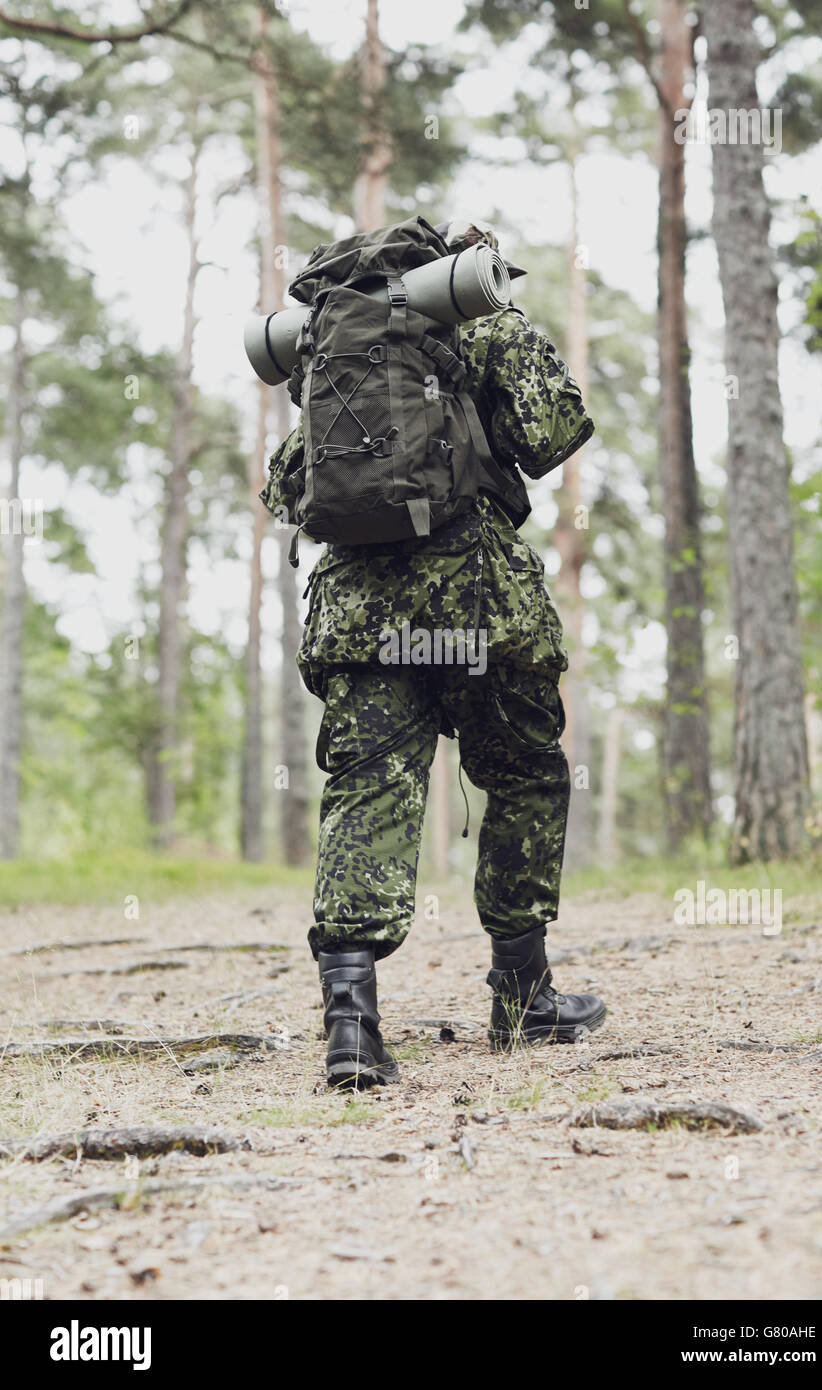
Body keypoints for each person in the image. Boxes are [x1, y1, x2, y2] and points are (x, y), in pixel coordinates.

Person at [261, 217, 606, 1088]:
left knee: (367, 794)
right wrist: (502, 319)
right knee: (524, 776)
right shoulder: (464, 323)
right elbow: (556, 430)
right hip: (478, 608)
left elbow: (283, 489)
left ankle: (351, 1029)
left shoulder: (333, 341)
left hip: (360, 617)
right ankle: (523, 999)